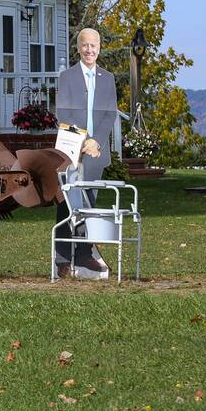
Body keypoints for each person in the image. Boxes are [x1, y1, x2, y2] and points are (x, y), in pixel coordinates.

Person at [54, 27, 118, 279]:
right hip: (72, 149)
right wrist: (83, 141)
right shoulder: (67, 77)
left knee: (88, 204)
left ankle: (83, 255)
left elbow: (109, 114)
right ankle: (61, 259)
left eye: (94, 45)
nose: (89, 49)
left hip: (95, 152)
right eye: (85, 45)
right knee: (67, 201)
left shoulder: (108, 78)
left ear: (99, 48)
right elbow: (63, 112)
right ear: (78, 48)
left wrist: (96, 142)